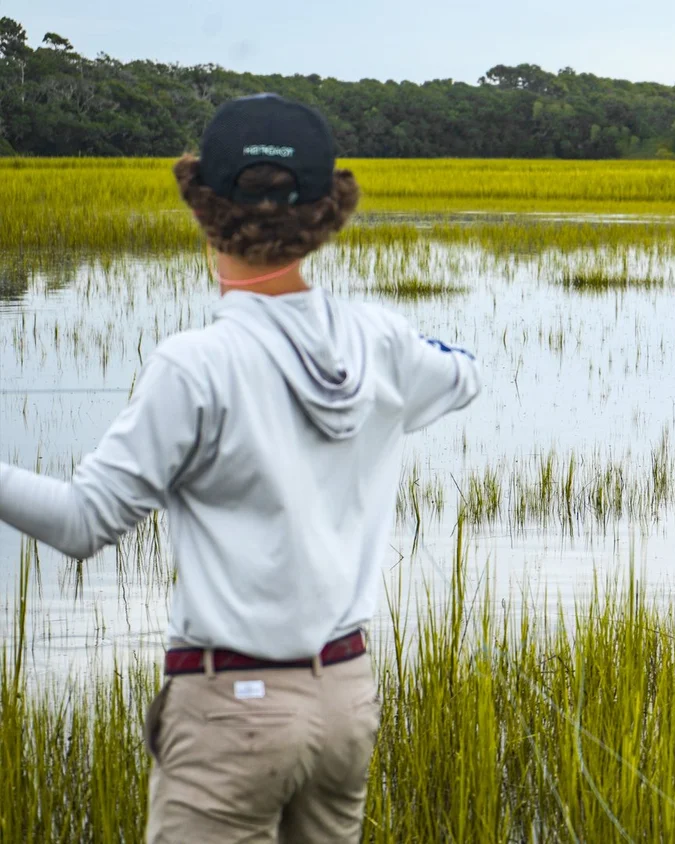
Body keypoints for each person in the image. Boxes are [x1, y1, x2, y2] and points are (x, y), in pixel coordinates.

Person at [0, 93, 481, 842]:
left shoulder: (195, 366)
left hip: (233, 710)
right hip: (344, 705)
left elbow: (81, 522)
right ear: (328, 211)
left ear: (203, 206)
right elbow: (465, 373)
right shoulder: (381, 342)